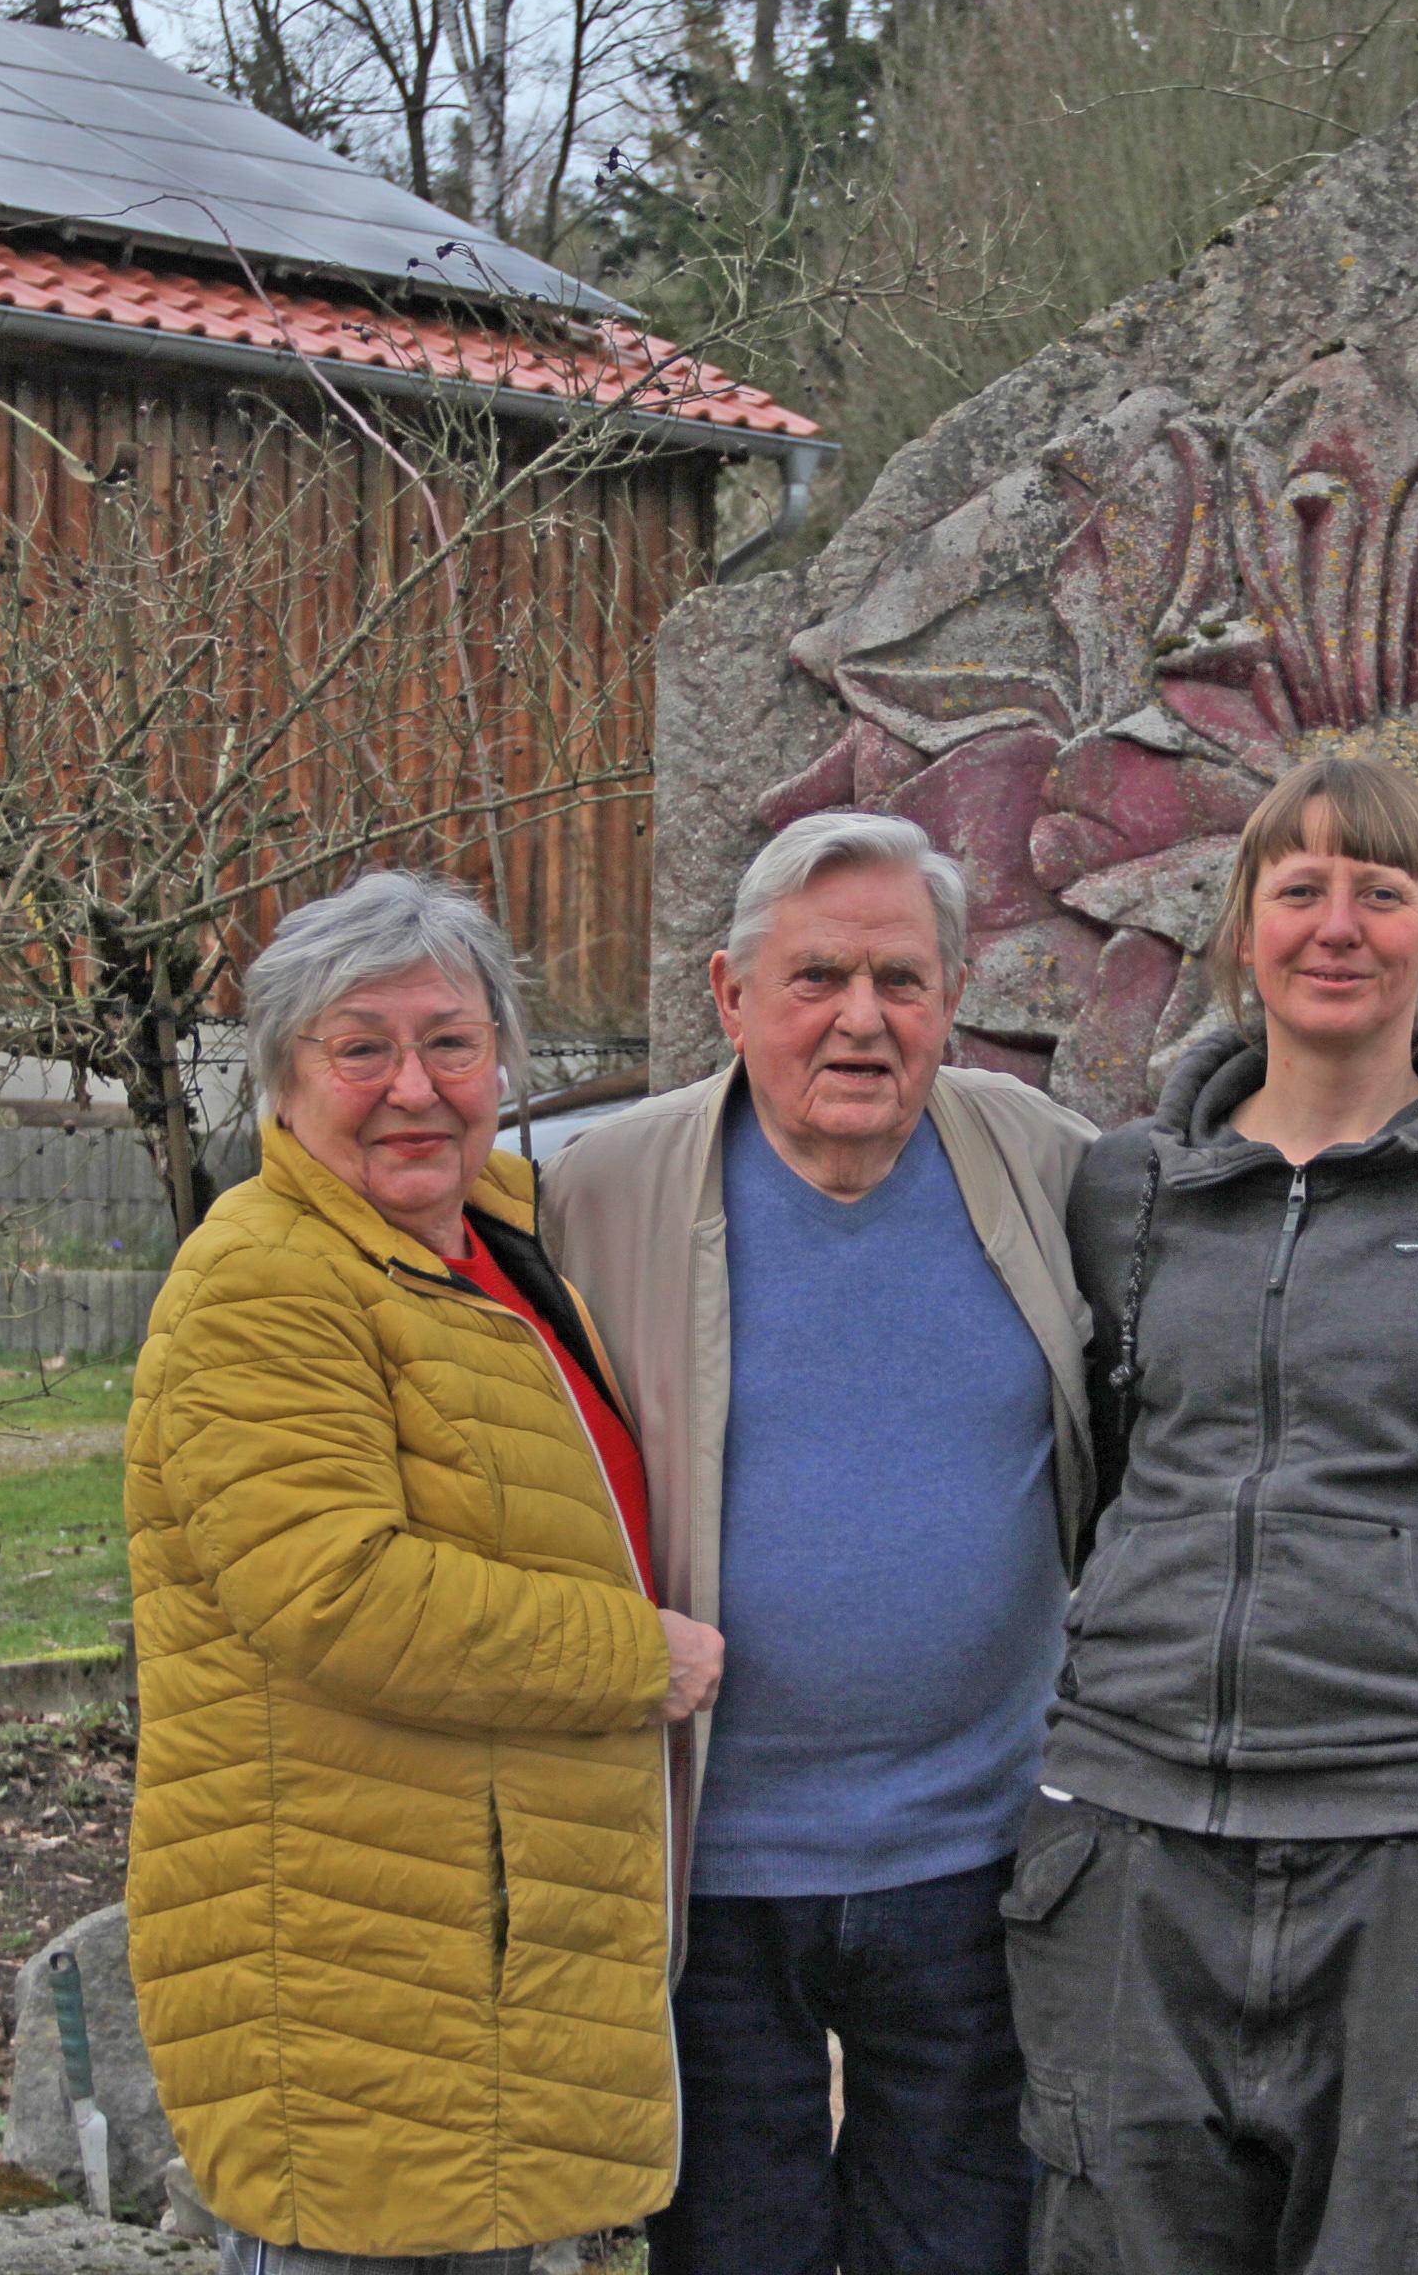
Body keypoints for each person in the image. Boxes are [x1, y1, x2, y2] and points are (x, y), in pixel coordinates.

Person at [1007, 755, 1418, 2275]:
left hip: (1417, 1855)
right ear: (1241, 934)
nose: (1337, 924)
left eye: (1381, 889)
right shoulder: (1123, 1194)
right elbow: (1090, 1487)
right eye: (1298, 889)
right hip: (1133, 1851)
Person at [122, 870, 723, 2275]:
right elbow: (343, 1593)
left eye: (451, 1044)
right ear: (281, 1080)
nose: (414, 1086)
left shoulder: (490, 1245)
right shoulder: (266, 1281)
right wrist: (645, 1657)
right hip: (355, 1982)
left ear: (502, 1061)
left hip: (471, 1956)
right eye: (361, 1047)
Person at [542, 812, 1097, 2275]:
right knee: (736, 2245)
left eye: (903, 982)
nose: (863, 1019)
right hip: (713, 1867)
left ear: (952, 999)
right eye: (818, 979)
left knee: (966, 2242)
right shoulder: (603, 1195)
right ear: (730, 997)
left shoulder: (1047, 1171)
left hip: (973, 1856)